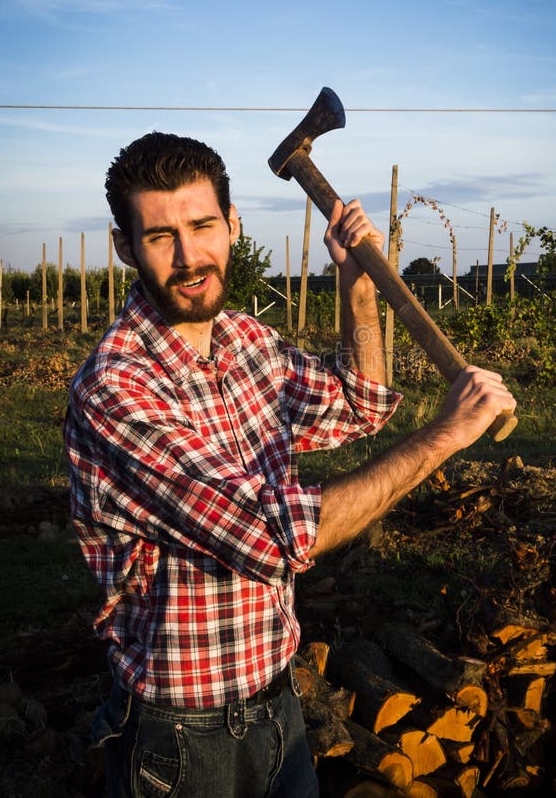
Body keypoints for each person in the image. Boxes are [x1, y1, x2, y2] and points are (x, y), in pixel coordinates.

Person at [65, 132, 515, 798]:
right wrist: (446, 434)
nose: (190, 257)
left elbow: (356, 404)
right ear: (125, 246)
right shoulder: (115, 389)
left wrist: (355, 283)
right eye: (161, 237)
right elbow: (276, 536)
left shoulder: (247, 340)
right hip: (182, 739)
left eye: (203, 225)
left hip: (277, 703)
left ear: (232, 224)